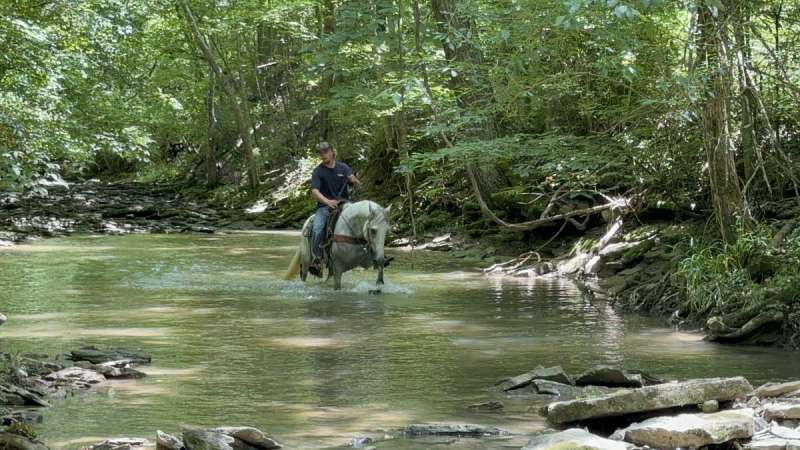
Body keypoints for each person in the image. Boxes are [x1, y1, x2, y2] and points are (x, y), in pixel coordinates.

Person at [310, 142, 360, 274]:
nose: (323, 154)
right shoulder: (318, 171)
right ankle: (317, 259)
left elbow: (355, 182)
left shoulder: (343, 167)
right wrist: (327, 202)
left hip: (345, 205)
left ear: (332, 152)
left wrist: (354, 180)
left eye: (326, 151)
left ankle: (373, 254)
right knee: (317, 229)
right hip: (325, 207)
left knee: (362, 220)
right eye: (321, 153)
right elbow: (314, 191)